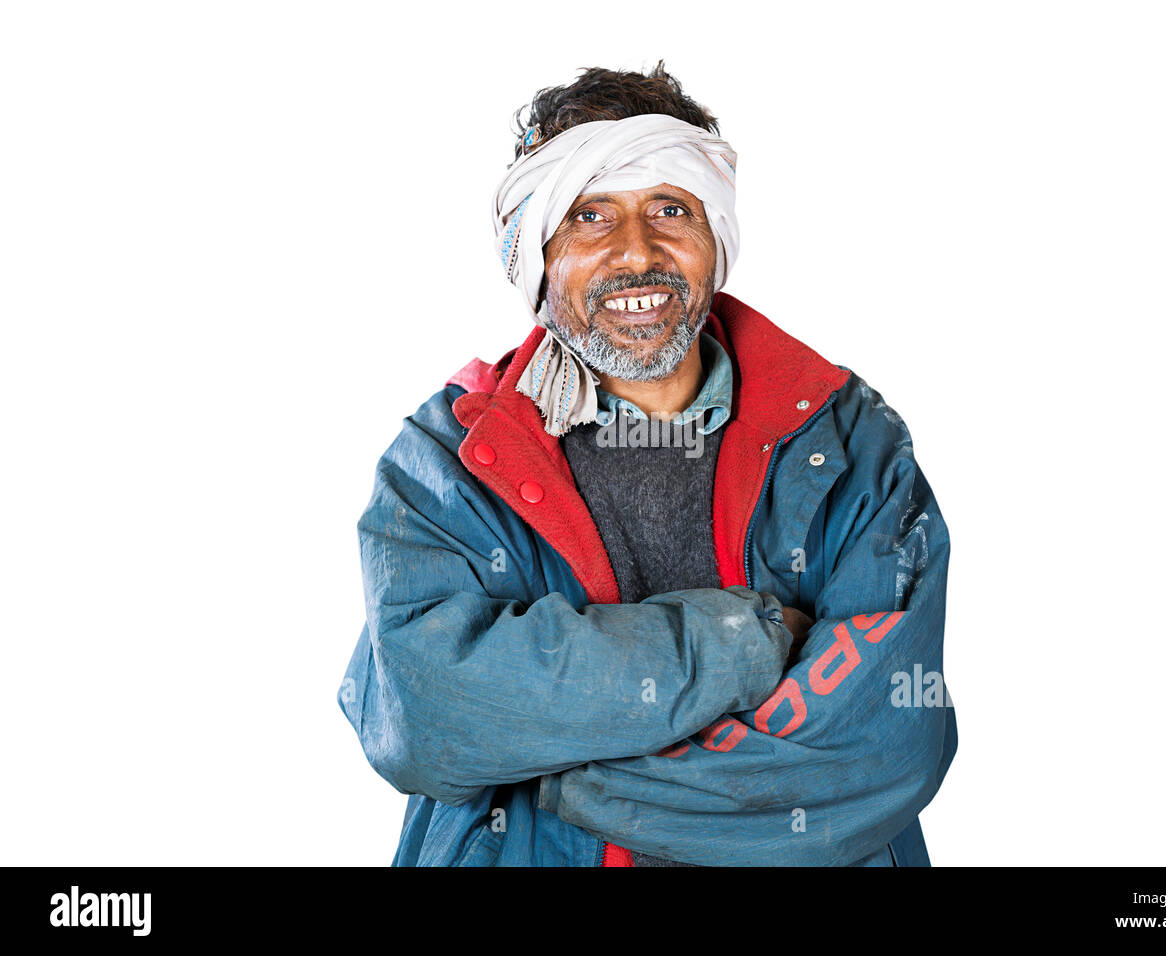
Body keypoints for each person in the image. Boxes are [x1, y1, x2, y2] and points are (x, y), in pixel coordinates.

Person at [338, 62, 957, 866]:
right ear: (537, 254)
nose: (638, 254)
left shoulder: (848, 439)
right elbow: (427, 717)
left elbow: (882, 744)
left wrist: (549, 768)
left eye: (671, 208)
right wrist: (749, 639)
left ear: (715, 234)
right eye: (591, 215)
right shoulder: (445, 460)